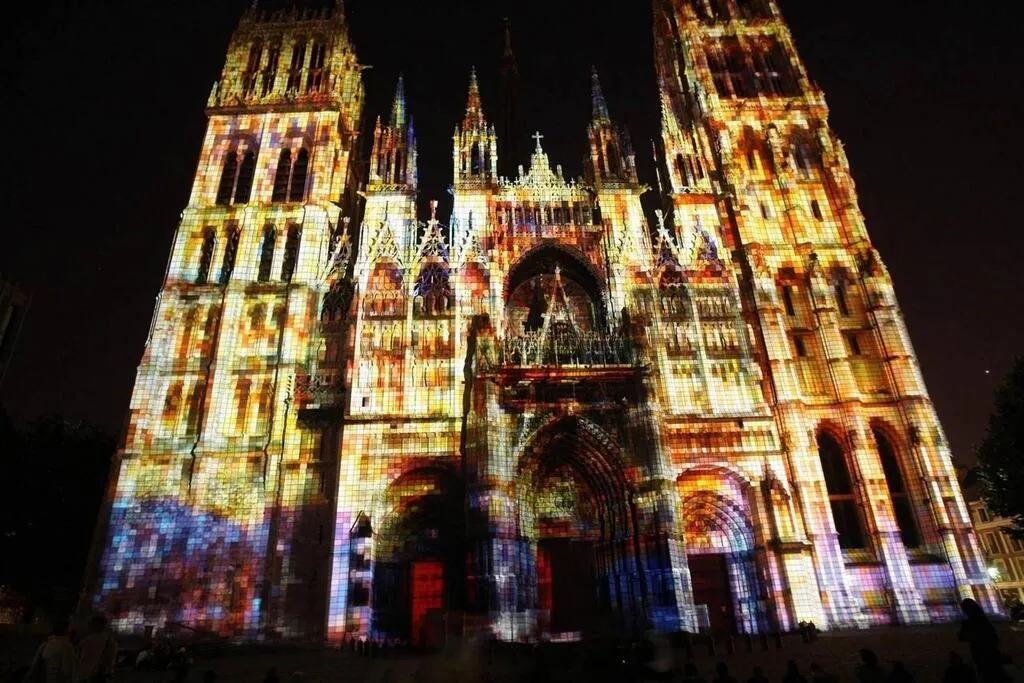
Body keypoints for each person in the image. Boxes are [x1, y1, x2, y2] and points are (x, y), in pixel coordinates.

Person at [958, 598, 1008, 683]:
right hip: (990, 652)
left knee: (987, 675)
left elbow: (962, 637)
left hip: (982, 653)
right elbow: (994, 638)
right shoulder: (983, 620)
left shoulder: (971, 622)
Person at [26, 616, 77, 683]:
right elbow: (67, 671)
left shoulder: (46, 645)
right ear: (67, 629)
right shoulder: (66, 647)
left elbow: (34, 667)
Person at [77, 615, 117, 683]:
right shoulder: (109, 640)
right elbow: (112, 657)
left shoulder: (86, 641)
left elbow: (78, 657)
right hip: (99, 674)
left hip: (84, 675)